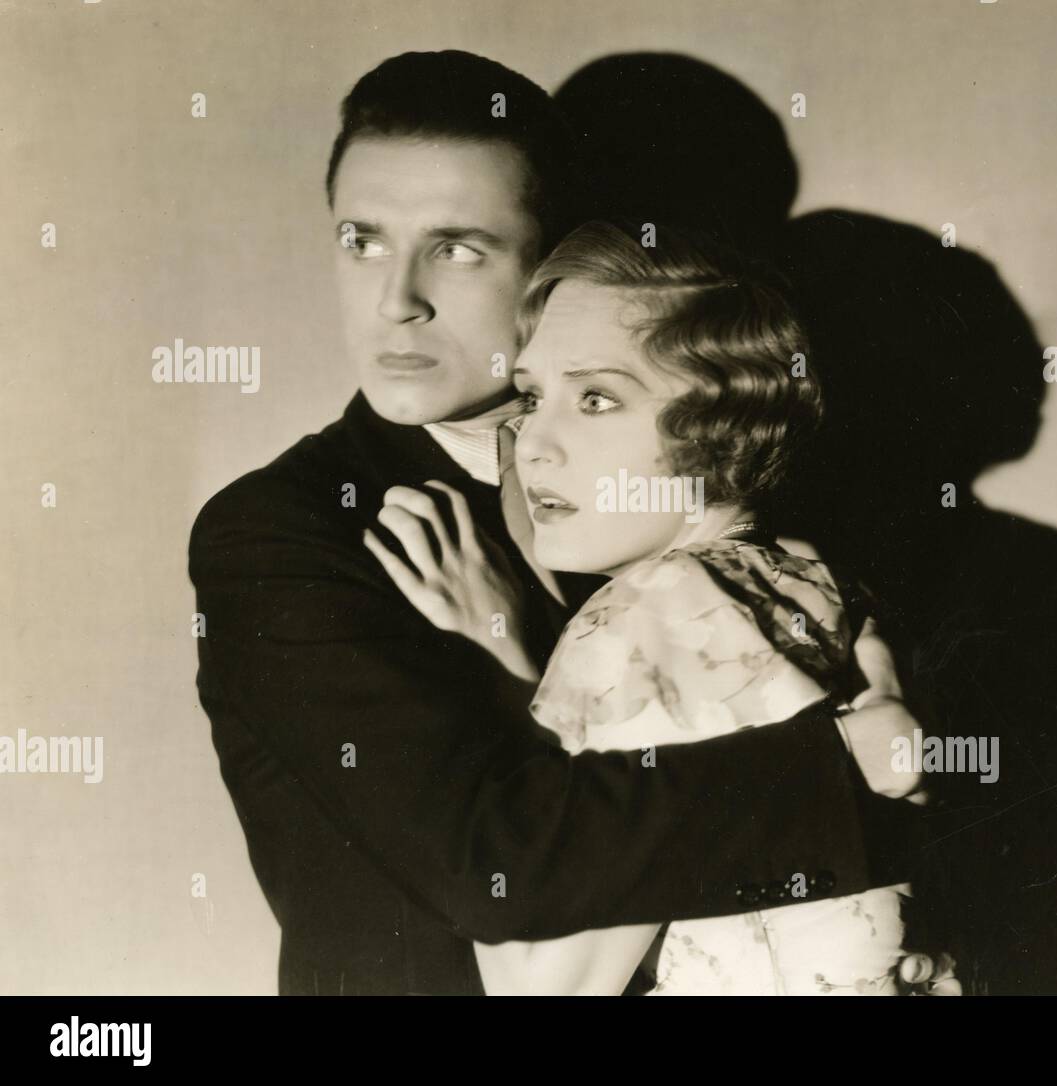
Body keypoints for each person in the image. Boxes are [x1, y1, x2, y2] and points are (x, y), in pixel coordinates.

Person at [190, 49, 934, 996]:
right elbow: (493, 864)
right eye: (362, 241)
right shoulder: (282, 533)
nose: (396, 300)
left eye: (457, 247)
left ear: (554, 261)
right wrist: (842, 768)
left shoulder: (693, 475)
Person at [366, 221, 953, 995]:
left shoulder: (652, 608)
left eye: (598, 398)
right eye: (535, 396)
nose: (534, 442)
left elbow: (540, 986)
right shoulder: (813, 579)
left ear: (723, 432)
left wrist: (491, 671)